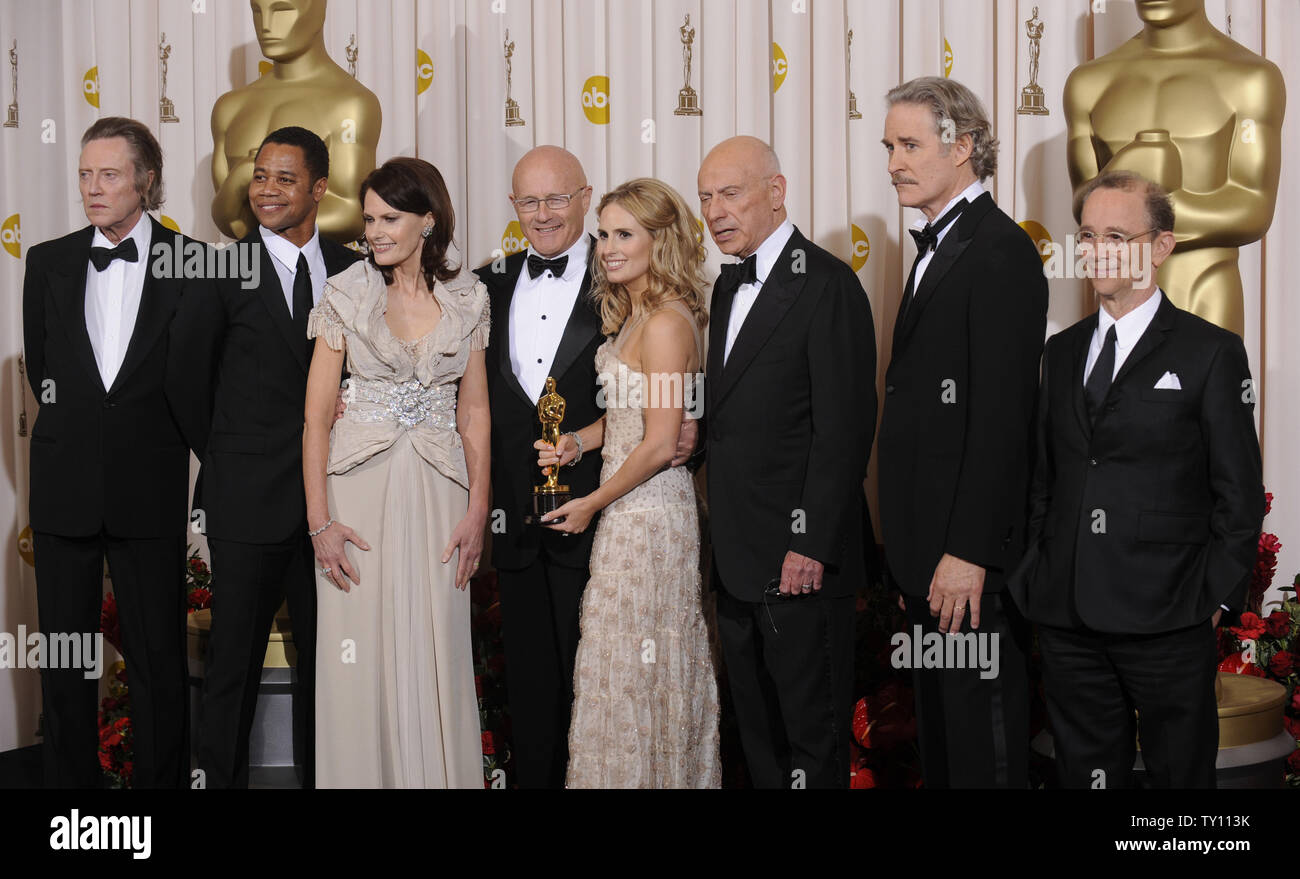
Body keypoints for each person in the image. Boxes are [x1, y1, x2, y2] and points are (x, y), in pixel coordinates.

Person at [1008, 171, 1264, 789]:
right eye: (1089, 235)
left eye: (1117, 236)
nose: (1097, 250)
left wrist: (1211, 601)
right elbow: (1045, 479)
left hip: (1170, 620)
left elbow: (1240, 494)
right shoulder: (1062, 352)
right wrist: (1038, 573)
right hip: (1069, 620)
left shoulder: (1211, 352)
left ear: (1161, 247)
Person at [472, 147, 696, 788]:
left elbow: (670, 409)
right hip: (516, 516)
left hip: (607, 523)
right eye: (527, 201)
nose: (541, 214)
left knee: (605, 685)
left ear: (583, 195)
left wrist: (693, 429)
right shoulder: (489, 284)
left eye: (556, 198)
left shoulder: (627, 293)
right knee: (532, 688)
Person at [169, 126, 361, 789]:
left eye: (285, 178)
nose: (267, 190)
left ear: (318, 188)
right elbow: (186, 383)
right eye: (260, 177)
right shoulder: (216, 268)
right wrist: (229, 457)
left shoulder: (354, 267)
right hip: (245, 502)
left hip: (335, 504)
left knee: (330, 669)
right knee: (232, 667)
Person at [876, 76, 1047, 789]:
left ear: (965, 146)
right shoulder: (936, 249)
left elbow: (1003, 420)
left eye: (910, 144)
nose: (893, 162)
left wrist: (969, 551)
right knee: (946, 742)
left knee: (985, 747)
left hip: (965, 563)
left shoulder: (999, 251)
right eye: (889, 146)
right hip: (927, 558)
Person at [303, 157, 489, 788]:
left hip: (442, 490)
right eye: (369, 218)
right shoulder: (345, 293)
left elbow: (477, 414)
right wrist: (319, 522)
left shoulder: (467, 297)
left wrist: (477, 514)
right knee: (358, 655)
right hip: (356, 493)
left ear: (427, 221)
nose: (374, 231)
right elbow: (315, 419)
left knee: (437, 642)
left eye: (390, 218)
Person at [23, 117, 198, 787]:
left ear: (145, 180)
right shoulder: (48, 260)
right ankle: (71, 807)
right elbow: (48, 378)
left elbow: (191, 382)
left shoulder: (192, 263)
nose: (92, 189)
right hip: (65, 491)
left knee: (157, 661)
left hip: (148, 492)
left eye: (109, 175)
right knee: (65, 665)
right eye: (85, 174)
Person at [697, 136, 875, 789]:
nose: (716, 210)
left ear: (776, 192)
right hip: (737, 560)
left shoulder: (828, 284)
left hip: (799, 563)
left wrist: (809, 543)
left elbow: (845, 430)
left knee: (812, 739)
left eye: (731, 193)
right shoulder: (725, 285)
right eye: (706, 197)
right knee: (761, 737)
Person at [535, 178, 719, 788]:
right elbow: (623, 422)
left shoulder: (667, 322)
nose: (609, 248)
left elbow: (664, 441)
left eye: (625, 234)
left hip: (649, 516)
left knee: (642, 665)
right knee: (619, 665)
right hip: (626, 509)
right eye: (605, 234)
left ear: (658, 241)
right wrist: (574, 443)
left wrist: (591, 500)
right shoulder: (635, 314)